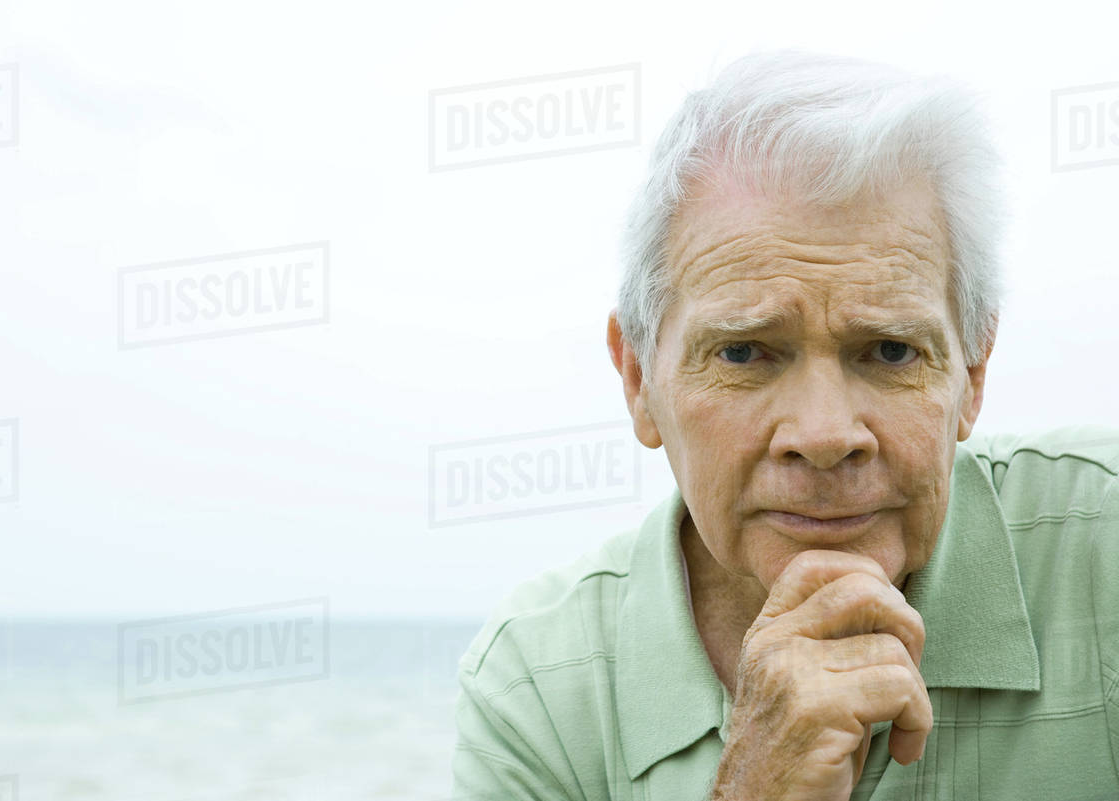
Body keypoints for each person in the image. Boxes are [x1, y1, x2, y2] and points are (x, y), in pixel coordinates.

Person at [448, 48, 1119, 801]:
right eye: (743, 352)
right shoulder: (536, 688)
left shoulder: (1105, 546)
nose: (826, 435)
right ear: (638, 379)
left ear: (973, 373)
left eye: (891, 350)